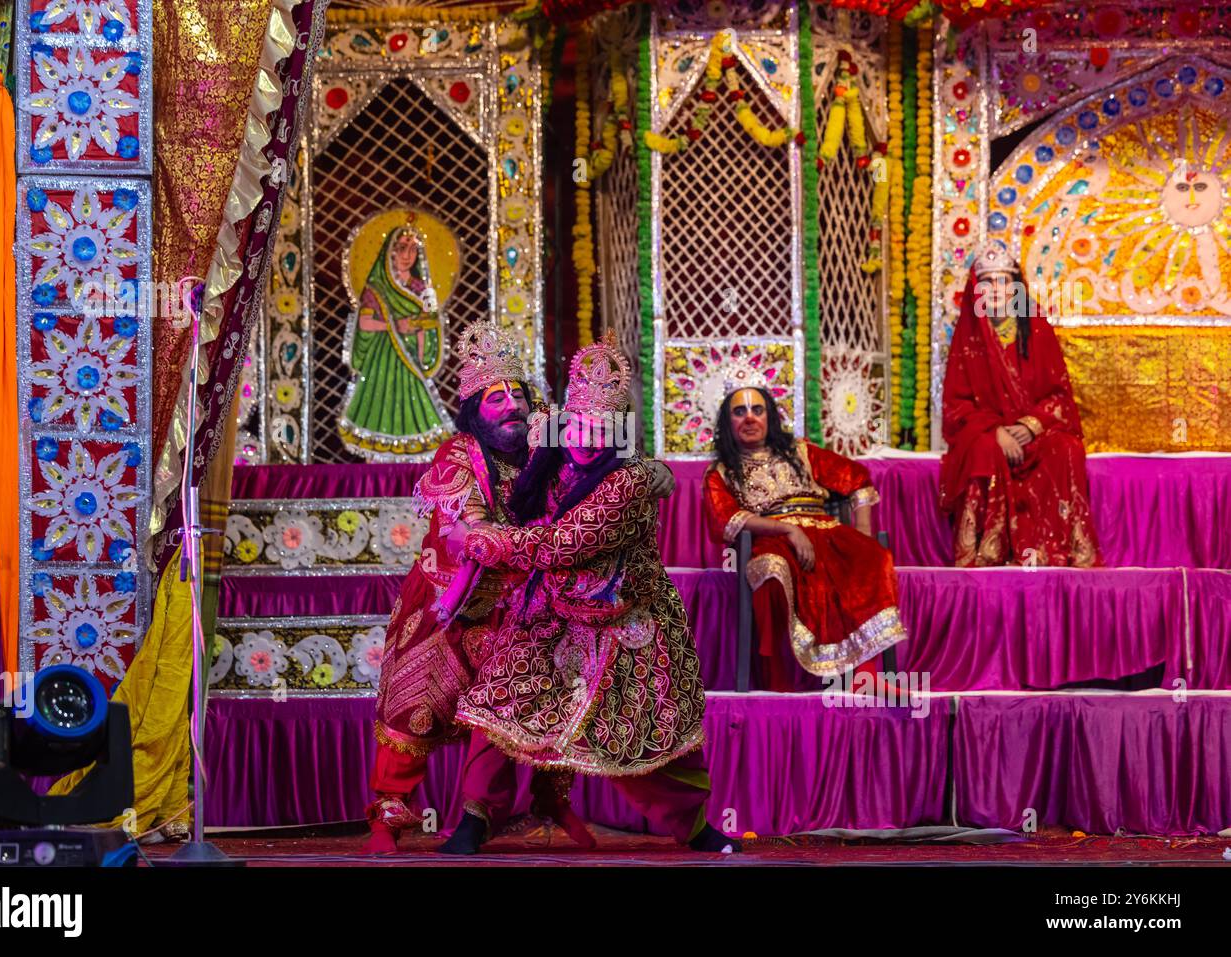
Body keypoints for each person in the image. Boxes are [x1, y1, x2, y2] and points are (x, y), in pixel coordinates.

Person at [366, 322, 677, 853]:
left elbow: (606, 452)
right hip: (454, 604)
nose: (511, 404)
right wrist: (529, 543)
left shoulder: (543, 438)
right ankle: (385, 820)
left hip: (526, 603)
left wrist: (652, 474)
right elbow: (471, 533)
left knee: (523, 708)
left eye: (518, 394)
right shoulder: (459, 457)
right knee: (418, 710)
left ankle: (511, 810)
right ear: (472, 412)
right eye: (495, 398)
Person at [450, 333, 738, 855]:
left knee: (638, 735)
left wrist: (488, 541)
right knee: (497, 703)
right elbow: (503, 445)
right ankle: (471, 823)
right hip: (551, 611)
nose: (585, 436)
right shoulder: (553, 457)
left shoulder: (626, 482)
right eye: (577, 423)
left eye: (600, 427)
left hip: (621, 619)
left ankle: (695, 829)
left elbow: (567, 543)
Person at [703, 386, 905, 691]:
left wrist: (862, 534)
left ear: (769, 416)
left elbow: (858, 480)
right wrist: (788, 530)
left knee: (871, 556)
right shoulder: (720, 472)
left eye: (757, 410)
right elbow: (725, 520)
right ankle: (782, 683)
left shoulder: (802, 452)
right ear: (727, 422)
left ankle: (866, 676)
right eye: (739, 411)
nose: (749, 418)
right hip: (772, 538)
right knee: (771, 569)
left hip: (827, 531)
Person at [939, 239, 1103, 568]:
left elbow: (1059, 396)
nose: (996, 290)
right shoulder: (968, 340)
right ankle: (989, 549)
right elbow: (956, 408)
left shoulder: (1037, 332)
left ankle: (1049, 550)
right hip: (992, 436)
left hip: (1034, 435)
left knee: (1067, 447)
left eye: (1003, 281)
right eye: (987, 282)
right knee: (984, 450)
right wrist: (997, 432)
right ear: (976, 291)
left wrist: (1032, 425)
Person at [340, 219, 451, 455]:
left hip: (411, 362)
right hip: (381, 360)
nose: (407, 255)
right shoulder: (377, 288)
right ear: (390, 253)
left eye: (413, 249)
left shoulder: (421, 289)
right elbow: (365, 322)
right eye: (402, 248)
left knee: (416, 414)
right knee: (378, 408)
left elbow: (428, 325)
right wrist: (394, 326)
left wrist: (422, 351)